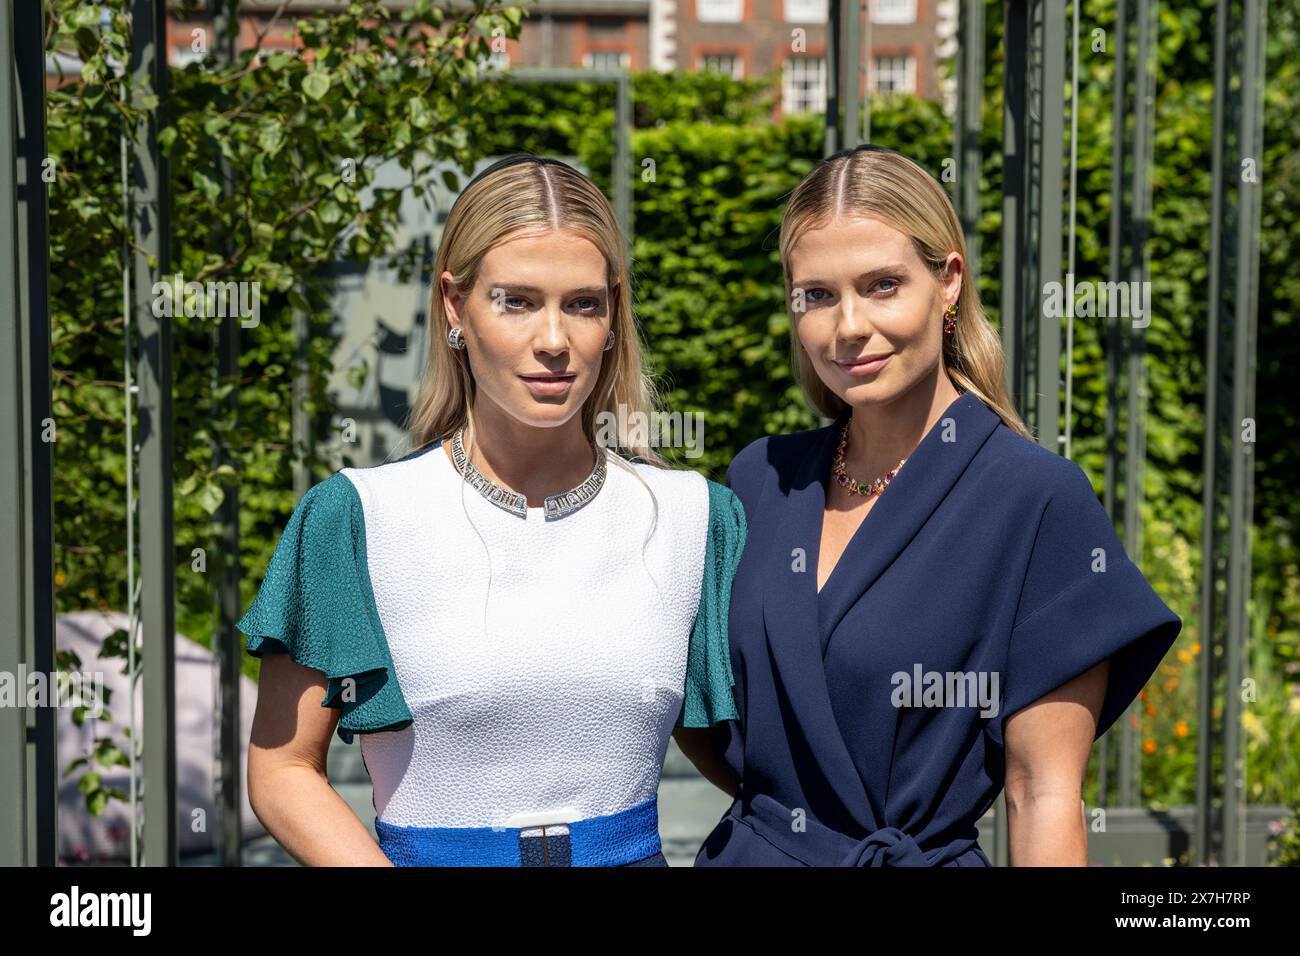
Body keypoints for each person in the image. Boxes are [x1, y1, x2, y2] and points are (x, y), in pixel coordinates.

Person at [239, 154, 744, 867]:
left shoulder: (695, 519)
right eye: (516, 300)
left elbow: (763, 769)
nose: (554, 340)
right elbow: (284, 769)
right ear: (454, 304)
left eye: (583, 303)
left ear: (614, 311)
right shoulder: (354, 520)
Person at [694, 144, 1182, 867]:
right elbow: (709, 717)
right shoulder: (761, 478)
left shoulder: (1034, 500)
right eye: (818, 295)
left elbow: (1042, 795)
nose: (847, 326)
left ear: (948, 281)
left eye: (882, 285)